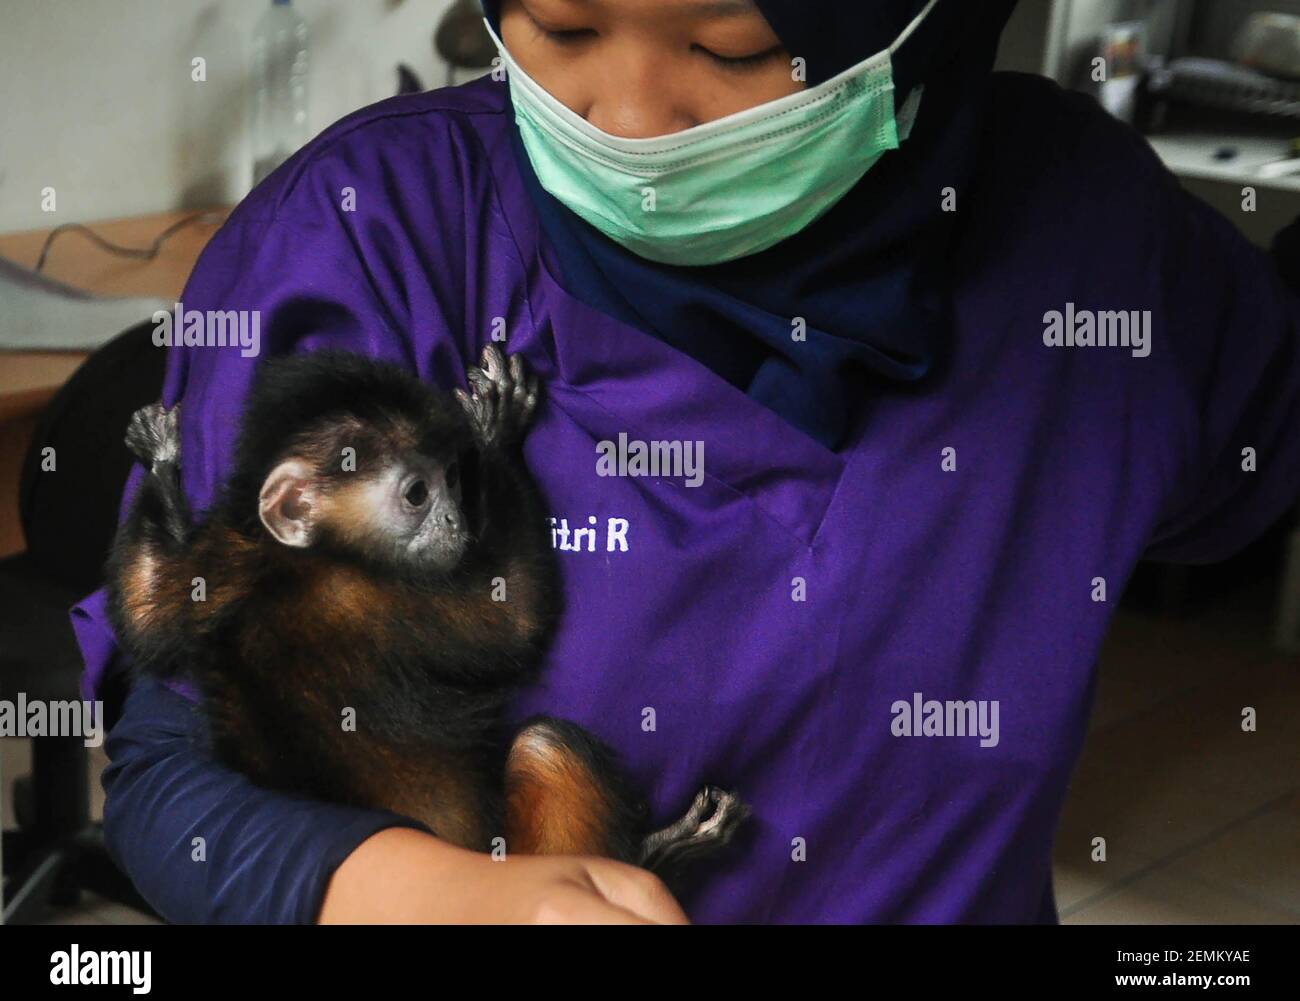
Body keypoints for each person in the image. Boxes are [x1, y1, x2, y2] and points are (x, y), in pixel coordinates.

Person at [72, 0, 1300, 924]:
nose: (630, 124)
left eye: (734, 45)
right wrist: (440, 896)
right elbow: (170, 771)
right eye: (561, 24)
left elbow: (1248, 475)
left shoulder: (1096, 246)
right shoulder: (374, 236)